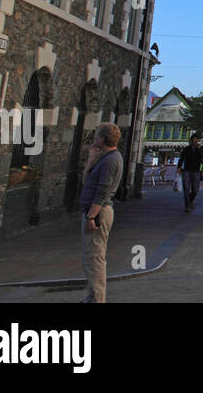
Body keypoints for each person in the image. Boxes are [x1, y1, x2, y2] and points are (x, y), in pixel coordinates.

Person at [80, 123, 124, 302]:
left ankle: (97, 299)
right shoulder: (105, 158)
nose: (94, 139)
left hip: (99, 212)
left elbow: (103, 191)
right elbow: (87, 181)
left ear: (103, 138)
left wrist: (92, 215)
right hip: (95, 210)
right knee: (90, 258)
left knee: (95, 258)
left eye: (97, 136)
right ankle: (92, 297)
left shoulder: (112, 160)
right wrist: (91, 160)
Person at [177, 134, 203, 212]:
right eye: (193, 139)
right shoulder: (187, 149)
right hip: (187, 170)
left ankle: (190, 200)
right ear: (191, 140)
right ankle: (187, 206)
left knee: (195, 189)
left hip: (196, 171)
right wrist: (179, 167)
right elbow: (181, 158)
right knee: (186, 188)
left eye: (196, 139)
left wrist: (198, 149)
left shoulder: (201, 148)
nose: (194, 141)